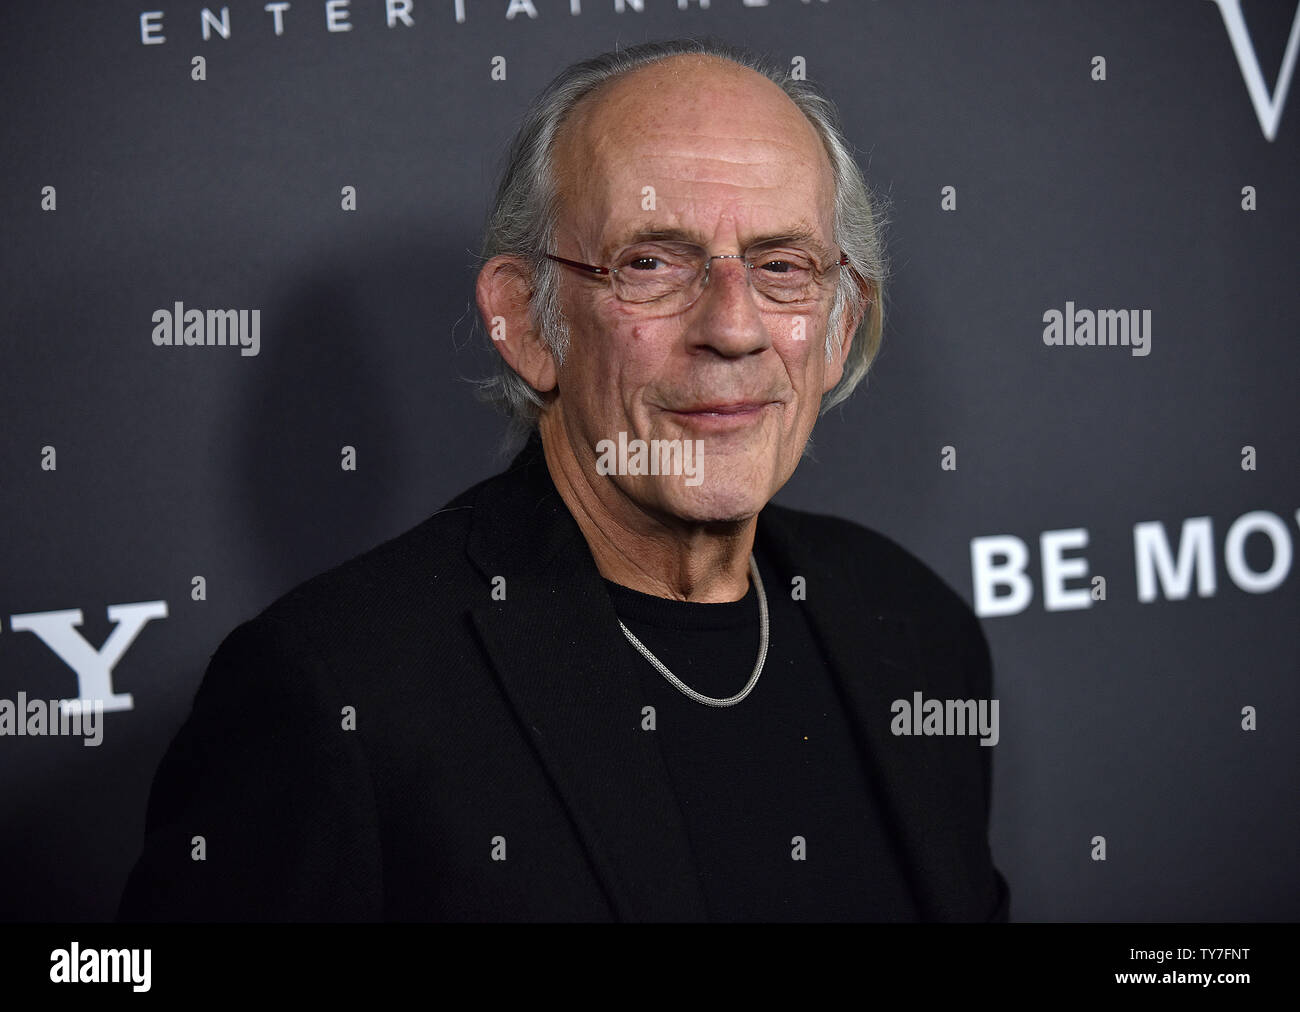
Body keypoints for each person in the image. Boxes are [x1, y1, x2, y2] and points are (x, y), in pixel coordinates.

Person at [118, 38, 1009, 922]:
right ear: (527, 322)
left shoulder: (915, 631)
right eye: (653, 263)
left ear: (841, 325)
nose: (734, 329)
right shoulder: (335, 695)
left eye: (783, 267)